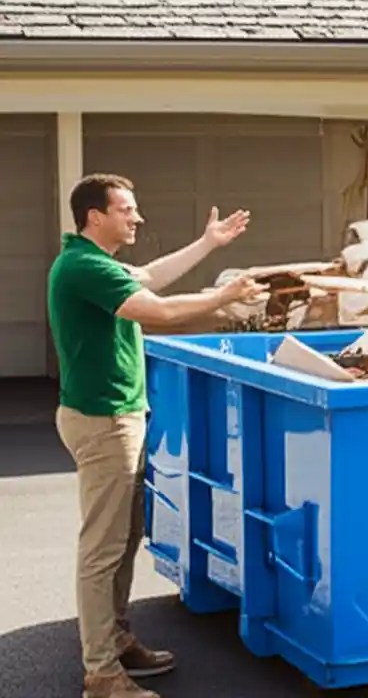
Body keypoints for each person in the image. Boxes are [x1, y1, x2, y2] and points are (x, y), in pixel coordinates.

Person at [47, 173, 267, 698]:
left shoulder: (95, 261)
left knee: (122, 541)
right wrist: (222, 298)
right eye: (126, 209)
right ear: (95, 216)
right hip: (103, 422)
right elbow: (158, 310)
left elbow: (147, 276)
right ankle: (101, 673)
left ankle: (116, 640)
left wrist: (208, 244)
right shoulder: (83, 266)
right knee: (102, 550)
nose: (137, 217)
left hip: (116, 415)